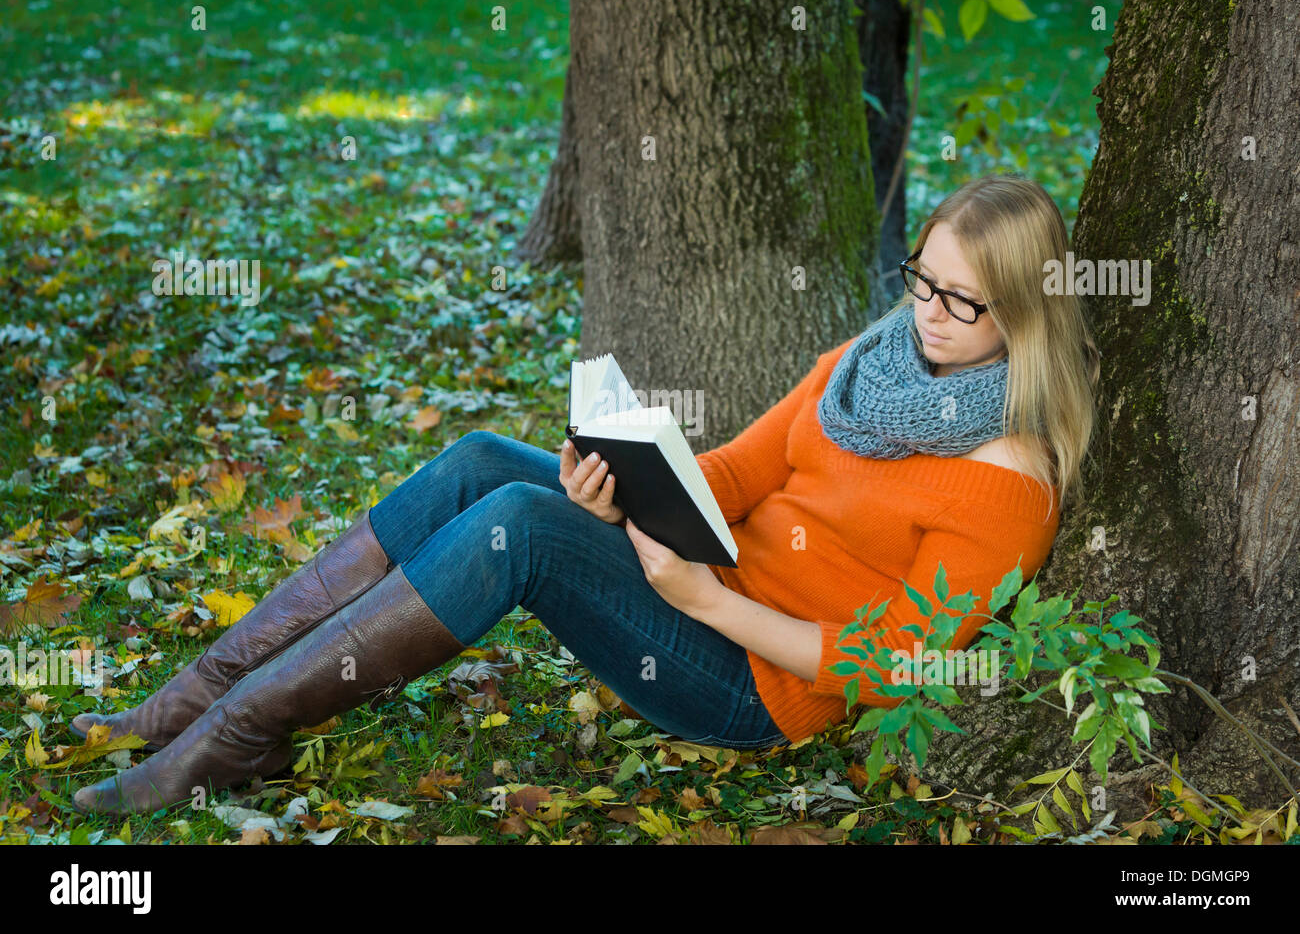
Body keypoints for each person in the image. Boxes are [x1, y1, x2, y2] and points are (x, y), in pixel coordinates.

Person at [71, 173, 1100, 816]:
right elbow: (737, 472)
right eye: (921, 279)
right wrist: (631, 491)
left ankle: (237, 735)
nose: (927, 313)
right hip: (701, 562)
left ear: (1024, 314)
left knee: (521, 526)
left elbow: (895, 667)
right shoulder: (866, 361)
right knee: (483, 459)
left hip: (754, 674)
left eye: (962, 301)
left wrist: (706, 601)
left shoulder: (1008, 483)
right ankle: (195, 697)